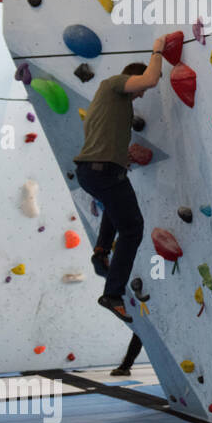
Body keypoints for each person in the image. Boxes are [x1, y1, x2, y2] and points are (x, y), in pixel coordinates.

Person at [75, 37, 165, 323]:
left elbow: (104, 139)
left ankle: (101, 252)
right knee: (133, 228)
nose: (140, 97)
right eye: (137, 92)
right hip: (103, 172)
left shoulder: (110, 103)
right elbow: (150, 79)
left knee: (117, 208)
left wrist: (125, 156)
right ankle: (112, 293)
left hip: (95, 171)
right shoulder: (115, 84)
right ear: (132, 78)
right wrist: (158, 48)